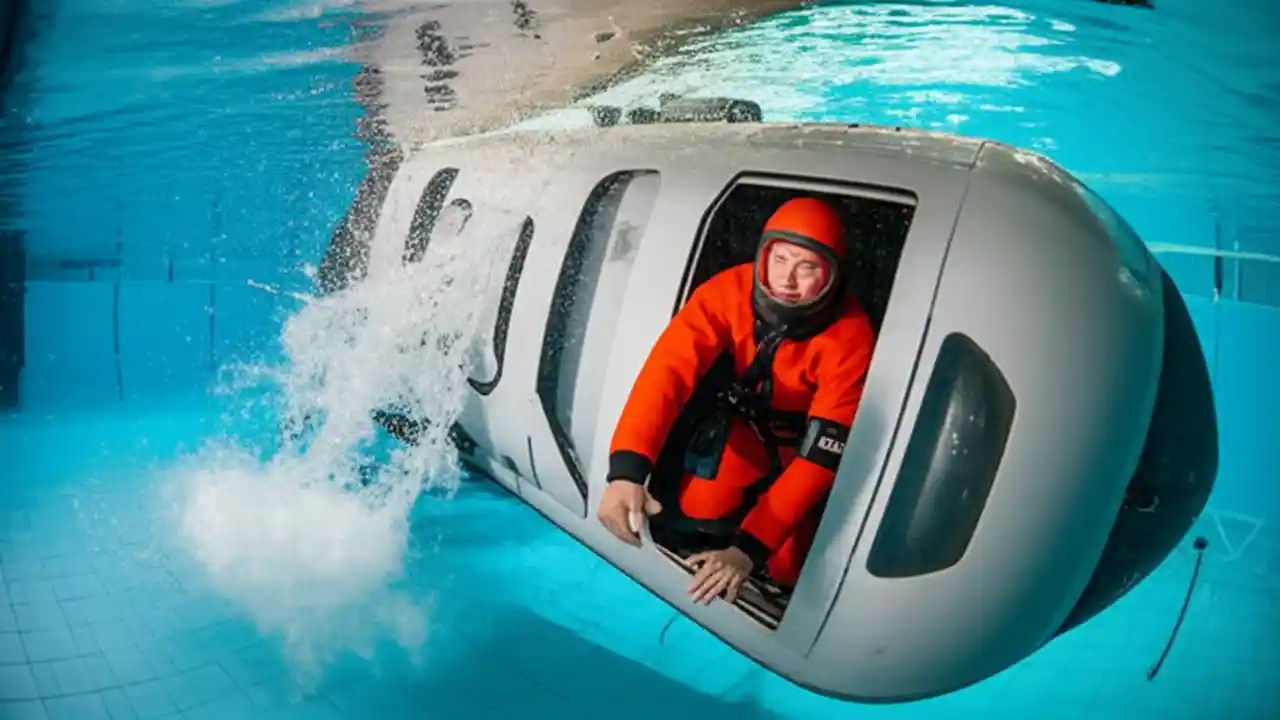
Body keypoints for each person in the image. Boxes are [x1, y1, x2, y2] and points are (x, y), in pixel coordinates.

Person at [597, 196, 877, 606]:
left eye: (808, 267)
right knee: (699, 510)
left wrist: (748, 551)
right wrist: (626, 470)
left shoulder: (851, 337)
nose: (786, 280)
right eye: (780, 259)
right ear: (763, 252)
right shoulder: (727, 291)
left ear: (833, 274)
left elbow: (820, 457)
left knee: (790, 566)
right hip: (740, 427)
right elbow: (666, 375)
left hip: (797, 445)